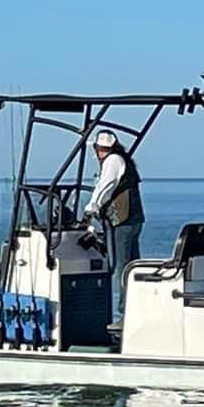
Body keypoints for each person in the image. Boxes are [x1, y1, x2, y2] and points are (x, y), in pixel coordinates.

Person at [84, 127, 145, 323]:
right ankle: (137, 308)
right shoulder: (124, 159)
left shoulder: (112, 161)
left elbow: (105, 185)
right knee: (133, 265)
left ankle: (125, 313)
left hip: (122, 220)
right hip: (134, 219)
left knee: (122, 267)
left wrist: (92, 206)